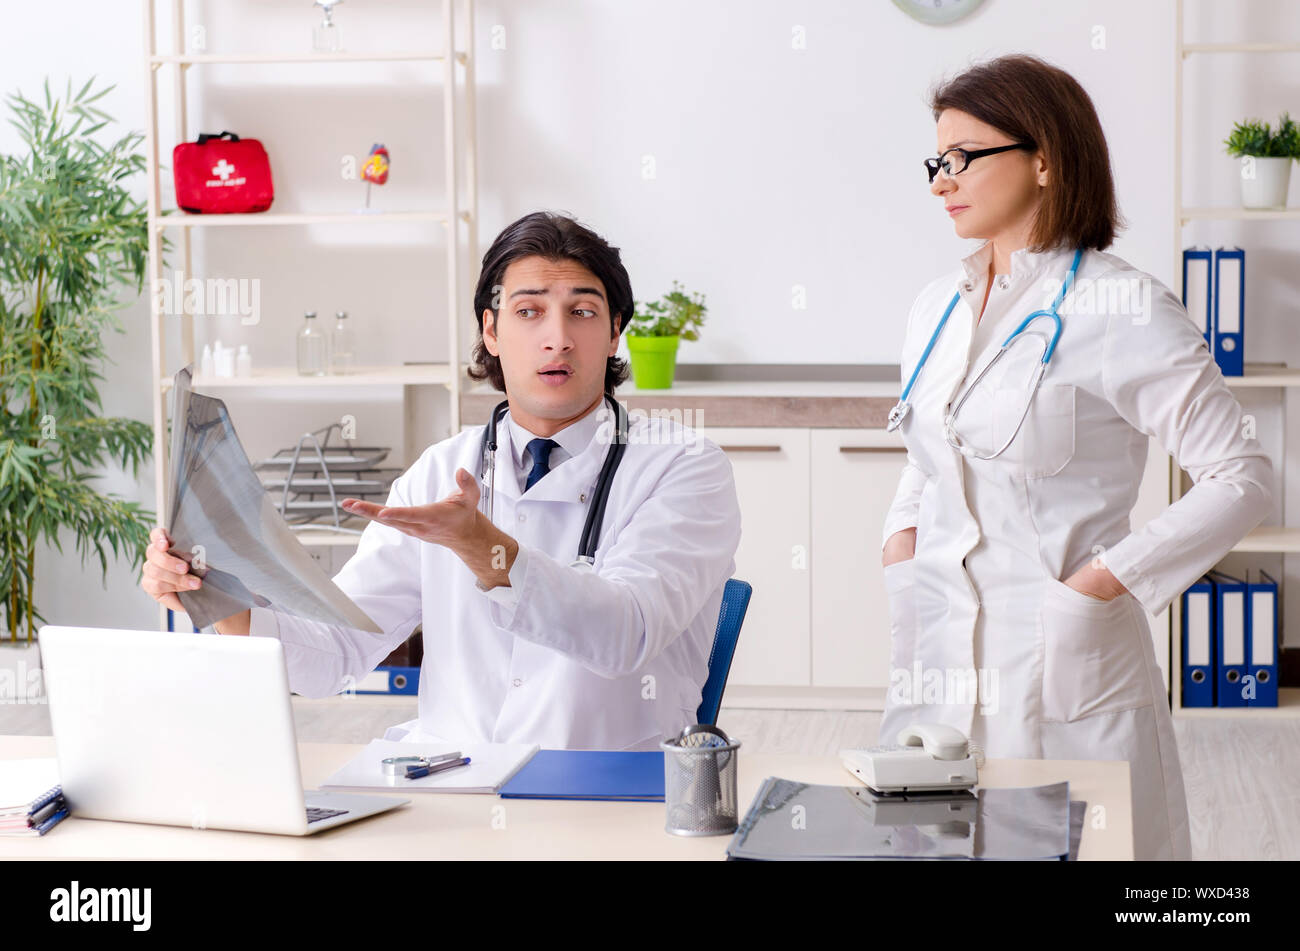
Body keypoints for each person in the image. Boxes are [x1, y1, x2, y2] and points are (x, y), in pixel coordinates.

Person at [142, 211, 742, 752]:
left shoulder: (683, 466)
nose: (556, 336)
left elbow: (626, 634)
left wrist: (484, 547)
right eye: (528, 311)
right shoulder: (439, 470)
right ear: (491, 330)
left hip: (606, 791)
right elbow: (341, 651)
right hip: (451, 782)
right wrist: (216, 595)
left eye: (582, 311)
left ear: (614, 333)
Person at [879, 54, 1273, 861]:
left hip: (1062, 662)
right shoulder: (936, 306)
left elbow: (1242, 474)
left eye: (962, 158)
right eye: (935, 161)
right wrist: (900, 541)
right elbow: (931, 449)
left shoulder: (1119, 305)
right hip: (940, 656)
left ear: (1045, 157)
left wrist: (1096, 586)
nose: (939, 181)